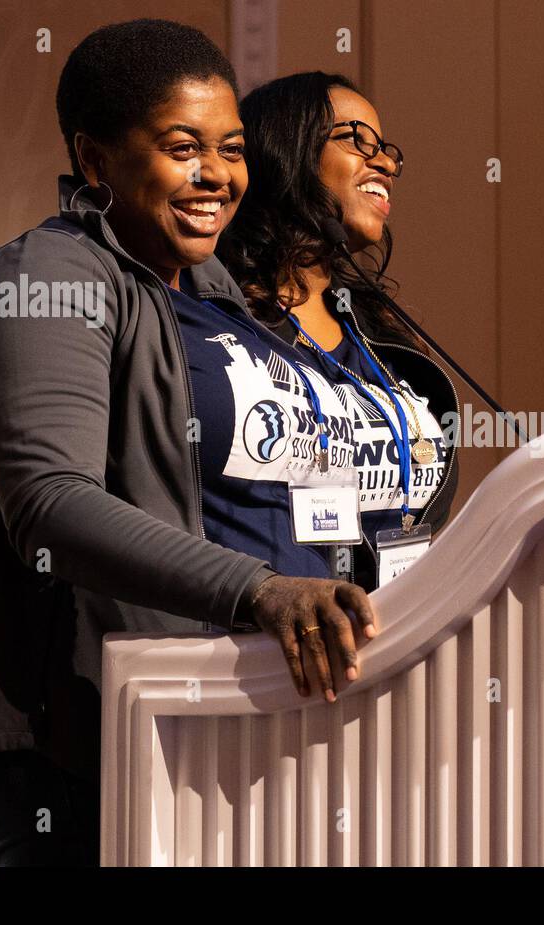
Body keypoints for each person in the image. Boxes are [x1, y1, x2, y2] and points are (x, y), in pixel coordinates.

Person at [0, 20, 373, 867]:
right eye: (182, 147)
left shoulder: (216, 294)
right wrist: (261, 590)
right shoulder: (42, 279)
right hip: (70, 738)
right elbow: (50, 506)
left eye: (232, 149)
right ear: (96, 162)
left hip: (207, 718)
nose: (218, 176)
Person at [217, 73, 460, 594]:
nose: (387, 164)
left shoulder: (381, 339)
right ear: (286, 151)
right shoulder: (216, 321)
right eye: (356, 140)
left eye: (388, 150)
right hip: (253, 650)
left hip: (395, 636)